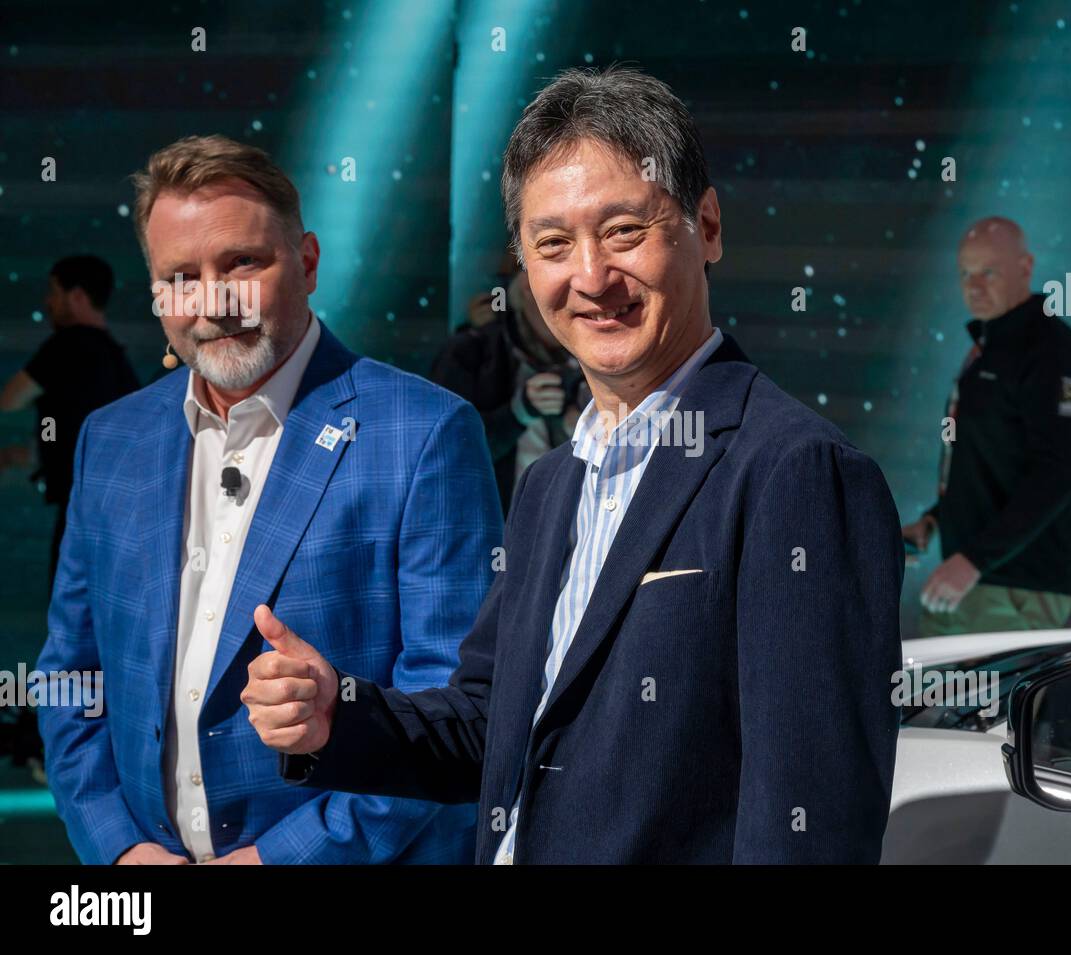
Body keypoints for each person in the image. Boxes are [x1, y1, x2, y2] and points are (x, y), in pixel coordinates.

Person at [245, 66, 904, 864]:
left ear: (709, 224)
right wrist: (339, 716)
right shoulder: (552, 484)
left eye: (624, 230)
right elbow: (494, 723)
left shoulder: (796, 471)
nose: (590, 278)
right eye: (553, 244)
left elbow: (811, 825)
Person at [35, 134, 502, 865]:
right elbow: (71, 675)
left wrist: (275, 861)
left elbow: (451, 709)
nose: (213, 301)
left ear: (308, 262)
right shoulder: (110, 439)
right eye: (181, 276)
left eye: (242, 264)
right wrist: (121, 850)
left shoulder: (425, 433)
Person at [902, 217, 1071, 637]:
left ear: (1025, 268)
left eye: (988, 271)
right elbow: (994, 462)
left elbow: (1057, 473)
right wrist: (937, 520)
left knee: (964, 700)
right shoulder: (992, 350)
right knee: (937, 697)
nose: (974, 286)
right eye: (965, 273)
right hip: (982, 580)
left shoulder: (1054, 355)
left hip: (1012, 586)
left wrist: (974, 560)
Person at [0, 256, 139, 592]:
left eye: (54, 291)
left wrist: (44, 424)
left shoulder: (66, 346)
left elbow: (12, 399)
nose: (48, 302)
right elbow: (63, 426)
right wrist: (40, 444)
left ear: (76, 296)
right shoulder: (117, 360)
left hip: (79, 506)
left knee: (68, 602)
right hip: (117, 507)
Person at [430, 269, 584, 515]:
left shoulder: (595, 352)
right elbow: (444, 453)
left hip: (571, 527)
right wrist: (515, 415)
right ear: (525, 286)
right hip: (494, 526)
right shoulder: (470, 352)